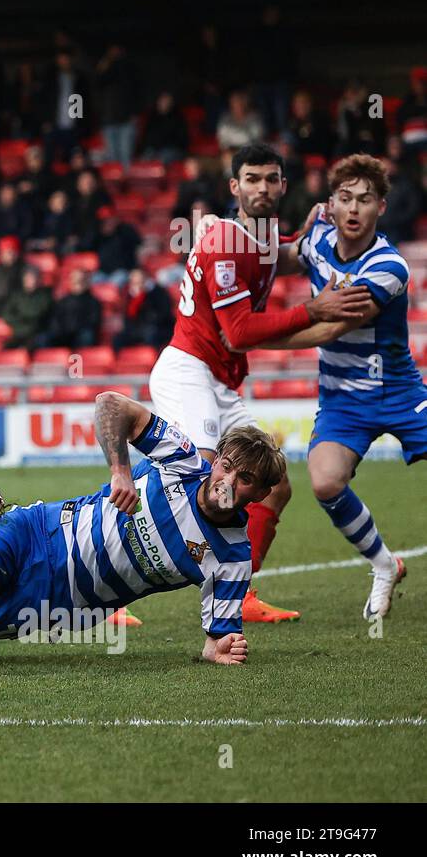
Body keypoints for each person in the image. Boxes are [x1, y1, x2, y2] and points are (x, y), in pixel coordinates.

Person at [0, 393, 277, 668]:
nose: (229, 482)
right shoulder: (181, 460)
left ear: (259, 494)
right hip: (40, 530)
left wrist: (218, 649)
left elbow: (217, 636)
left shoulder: (233, 557)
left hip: (57, 602)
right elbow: (110, 405)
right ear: (215, 459)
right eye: (228, 466)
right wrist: (121, 470)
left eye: (246, 480)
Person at [149, 142, 372, 624]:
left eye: (271, 179)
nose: (262, 188)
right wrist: (313, 311)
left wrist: (311, 234)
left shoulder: (262, 240)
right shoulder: (224, 240)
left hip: (220, 380)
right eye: (252, 179)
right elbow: (239, 330)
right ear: (235, 187)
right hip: (188, 368)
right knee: (198, 477)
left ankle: (240, 594)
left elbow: (286, 258)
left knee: (273, 483)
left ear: (283, 186)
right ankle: (99, 585)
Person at [241, 155, 422, 620]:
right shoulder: (317, 239)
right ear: (331, 204)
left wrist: (250, 334)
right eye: (345, 198)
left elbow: (331, 328)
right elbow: (279, 260)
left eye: (365, 199)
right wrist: (244, 239)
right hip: (343, 398)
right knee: (324, 482)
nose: (354, 208)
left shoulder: (389, 267)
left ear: (381, 206)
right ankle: (384, 565)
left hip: (399, 391)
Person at [41, 267, 101, 349]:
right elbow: (55, 321)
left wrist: (75, 329)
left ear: (87, 282)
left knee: (86, 336)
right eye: (75, 279)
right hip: (63, 335)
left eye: (81, 280)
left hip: (80, 334)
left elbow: (93, 322)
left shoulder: (93, 301)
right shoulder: (62, 301)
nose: (77, 282)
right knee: (44, 338)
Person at [1, 266, 53, 348]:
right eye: (27, 278)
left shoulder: (45, 295)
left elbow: (38, 314)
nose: (30, 281)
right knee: (6, 349)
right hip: (18, 333)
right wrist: (23, 322)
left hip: (36, 334)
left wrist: (22, 318)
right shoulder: (16, 296)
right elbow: (7, 315)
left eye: (32, 278)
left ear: (38, 279)